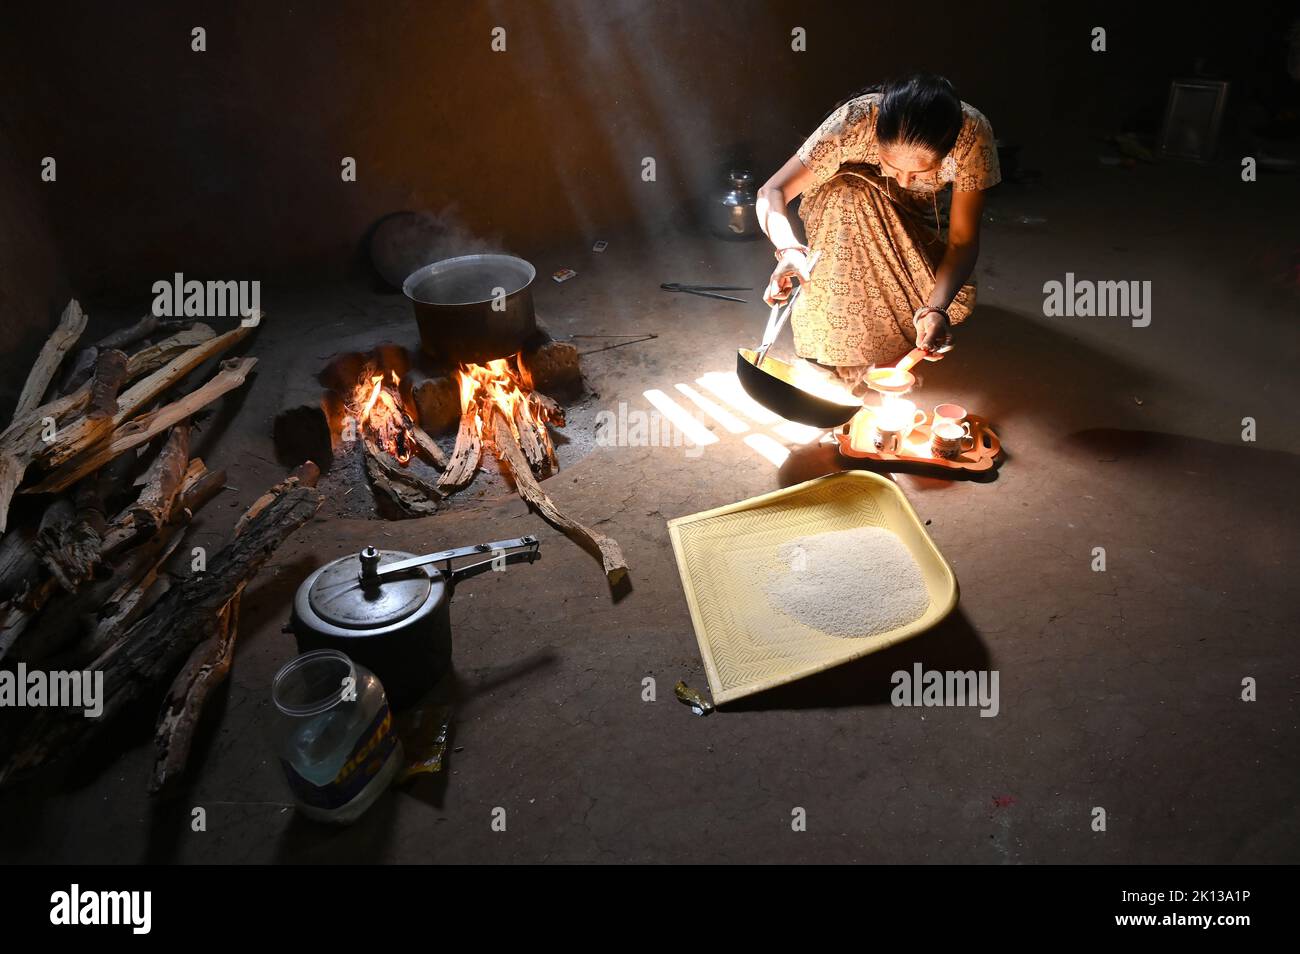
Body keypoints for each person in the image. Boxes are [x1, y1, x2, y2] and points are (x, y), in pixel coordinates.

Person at [757, 72, 1000, 393]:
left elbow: (962, 242)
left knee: (935, 295)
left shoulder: (971, 136)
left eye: (920, 172)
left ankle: (900, 325)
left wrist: (935, 309)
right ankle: (840, 339)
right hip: (840, 210)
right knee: (850, 192)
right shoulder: (854, 121)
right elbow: (772, 190)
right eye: (892, 166)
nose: (903, 181)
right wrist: (788, 249)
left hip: (917, 218)